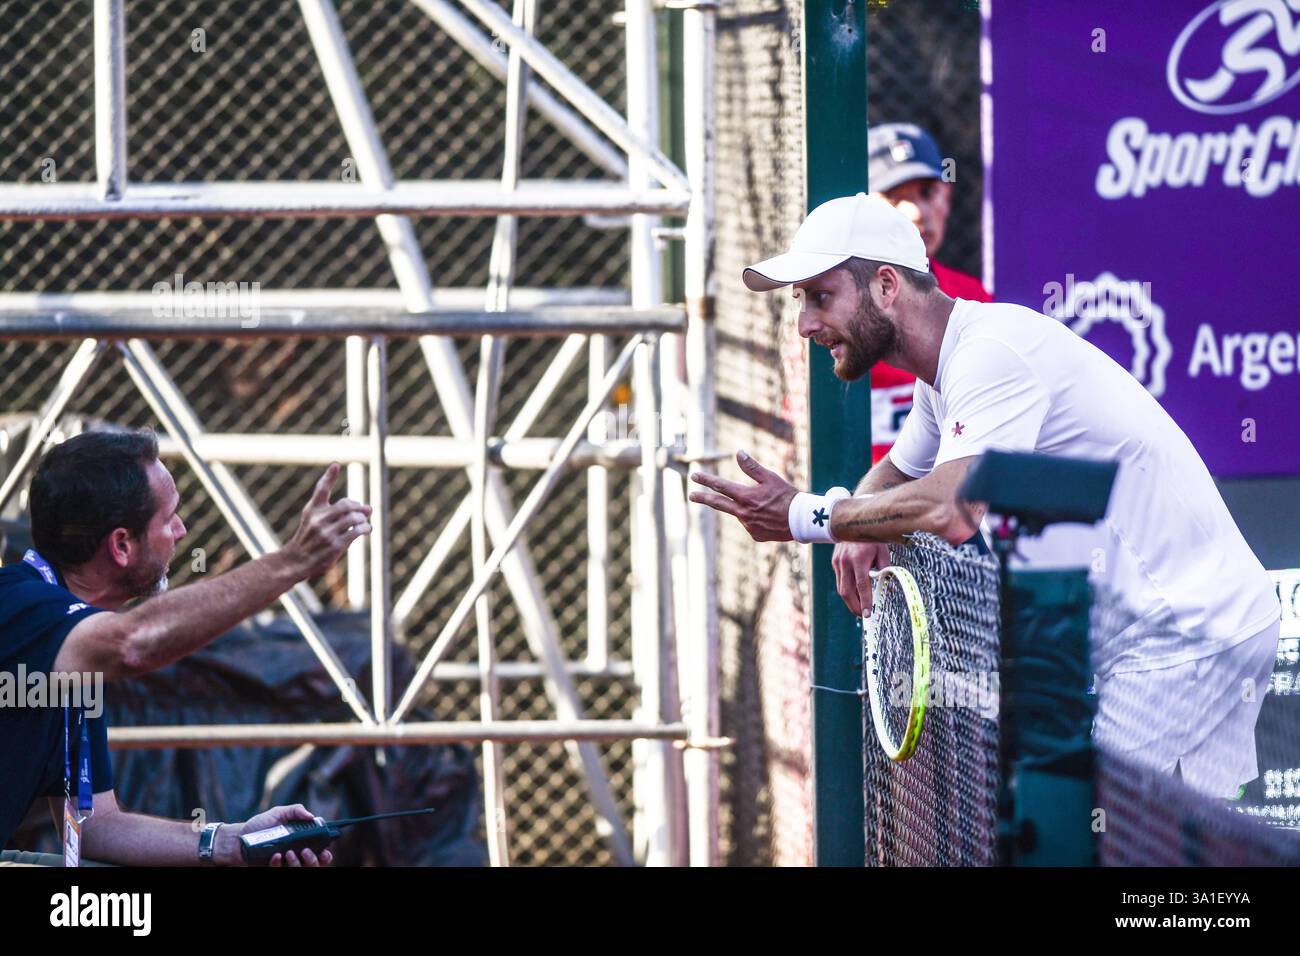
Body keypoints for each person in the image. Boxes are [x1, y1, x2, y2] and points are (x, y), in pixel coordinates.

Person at [689, 192, 1281, 800]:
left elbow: (951, 508)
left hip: (1184, 638)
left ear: (886, 285)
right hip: (1203, 625)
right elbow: (894, 475)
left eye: (821, 297)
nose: (807, 325)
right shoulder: (945, 371)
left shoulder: (989, 357)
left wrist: (805, 515)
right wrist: (852, 527)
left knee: (1078, 829)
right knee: (1187, 849)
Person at [0, 429, 372, 865]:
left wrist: (232, 842)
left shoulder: (74, 651)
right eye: (169, 517)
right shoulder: (17, 605)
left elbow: (93, 826)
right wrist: (293, 562)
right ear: (121, 545)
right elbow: (133, 643)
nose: (181, 530)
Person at [867, 123, 992, 465]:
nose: (917, 213)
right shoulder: (836, 306)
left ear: (947, 199)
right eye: (894, 197)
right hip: (854, 495)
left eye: (927, 192)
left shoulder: (974, 298)